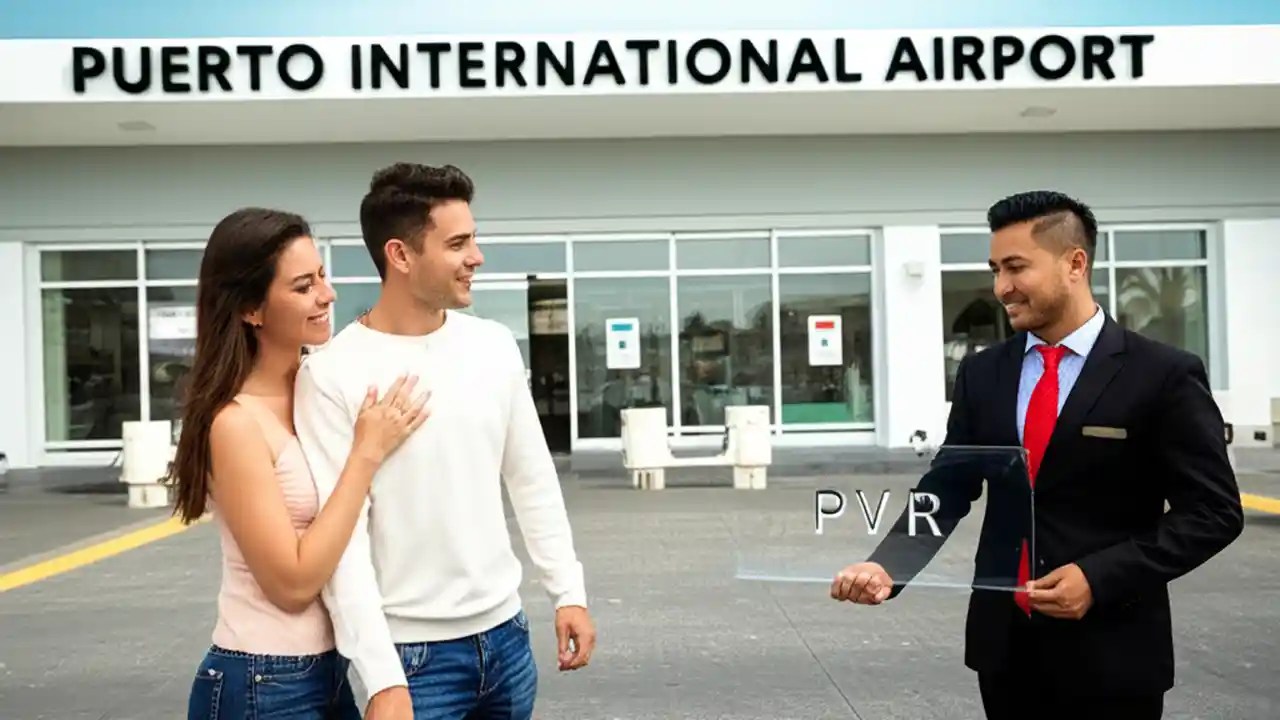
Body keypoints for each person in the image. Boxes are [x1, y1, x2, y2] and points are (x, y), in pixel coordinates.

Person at [830, 190, 1244, 718]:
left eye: (1016, 267)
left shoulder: (1162, 374)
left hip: (1114, 655)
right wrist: (886, 565)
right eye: (995, 268)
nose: (1001, 286)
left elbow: (1213, 512)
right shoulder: (983, 373)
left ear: (1075, 263)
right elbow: (949, 486)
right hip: (1005, 652)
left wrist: (1099, 577)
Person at [293, 162, 596, 720]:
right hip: (413, 660)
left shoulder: (494, 346)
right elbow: (344, 545)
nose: (476, 257)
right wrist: (383, 677)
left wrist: (567, 589)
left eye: (474, 239)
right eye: (458, 243)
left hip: (507, 639)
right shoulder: (332, 373)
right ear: (401, 255)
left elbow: (530, 477)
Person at [168, 207, 430, 720]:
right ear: (251, 309)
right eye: (303, 286)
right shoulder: (236, 424)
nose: (327, 295)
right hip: (262, 682)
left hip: (327, 671)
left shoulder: (318, 392)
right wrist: (366, 453)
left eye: (323, 276)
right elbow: (290, 584)